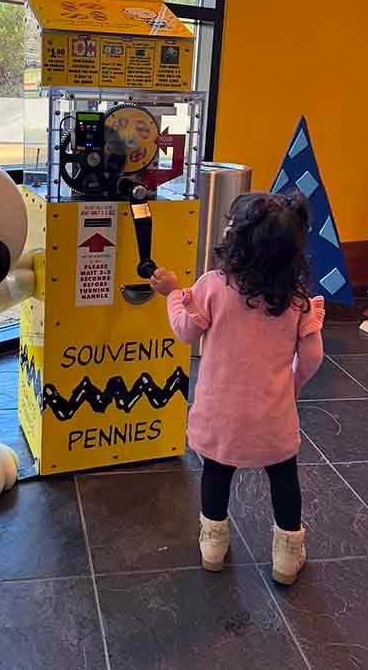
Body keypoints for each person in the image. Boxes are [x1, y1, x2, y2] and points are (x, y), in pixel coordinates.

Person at [150, 192, 324, 586]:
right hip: (273, 416)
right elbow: (312, 357)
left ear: (238, 242)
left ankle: (212, 546)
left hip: (220, 414)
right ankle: (286, 556)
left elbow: (185, 330)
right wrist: (290, 387)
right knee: (283, 477)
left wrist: (174, 293)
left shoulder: (212, 286)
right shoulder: (296, 300)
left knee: (216, 471)